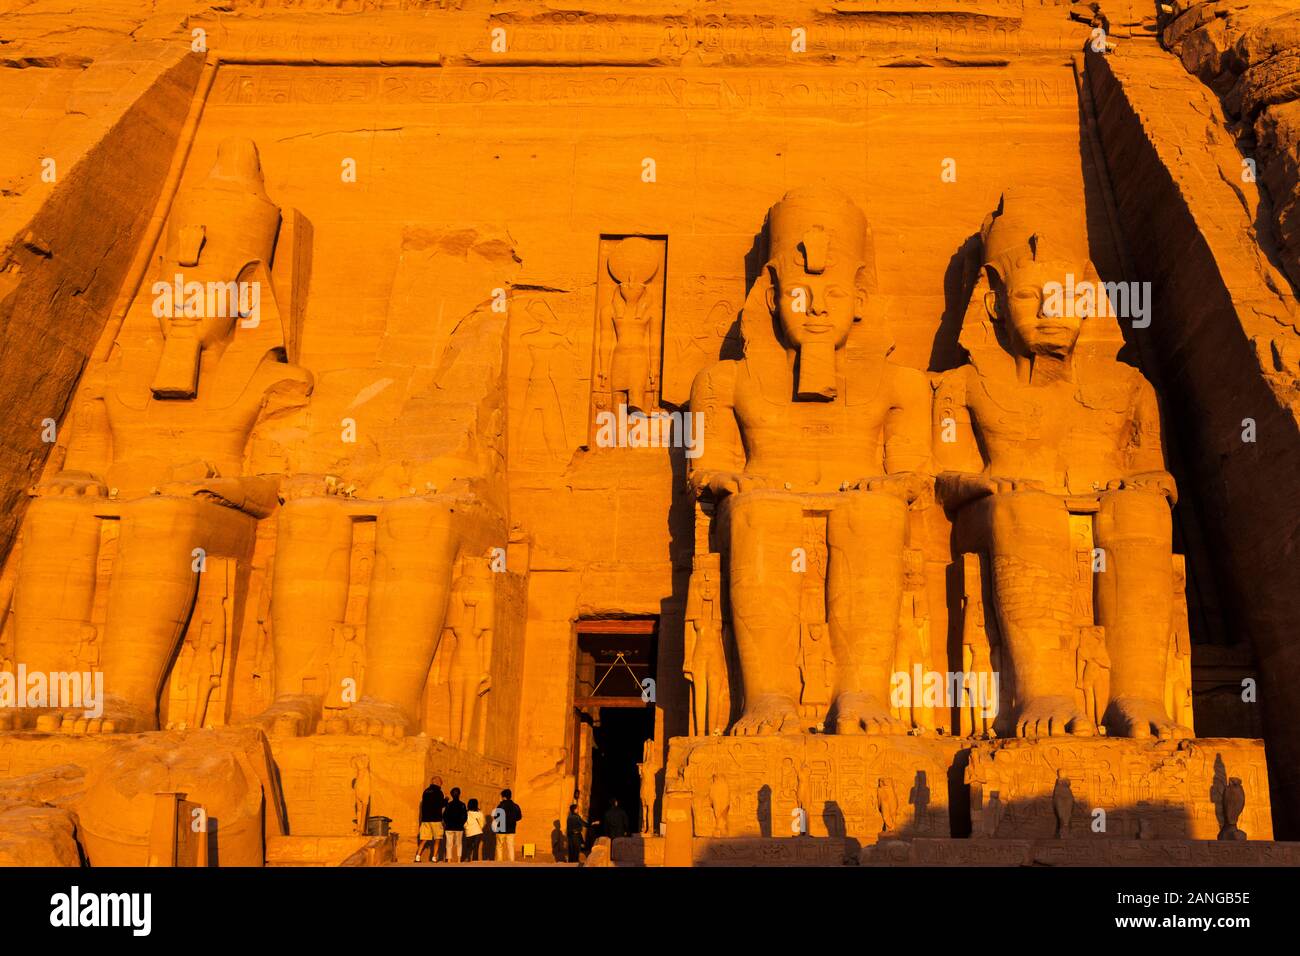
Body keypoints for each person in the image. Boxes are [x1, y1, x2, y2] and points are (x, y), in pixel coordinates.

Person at [416, 775, 446, 863]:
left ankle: (417, 856)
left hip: (425, 820)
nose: (441, 785)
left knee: (424, 839)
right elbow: (441, 805)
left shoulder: (425, 792)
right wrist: (446, 800)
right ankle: (434, 857)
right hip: (436, 819)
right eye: (441, 783)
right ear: (437, 783)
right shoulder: (439, 792)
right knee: (437, 838)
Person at [494, 789, 523, 861]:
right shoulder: (516, 806)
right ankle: (511, 862)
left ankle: (499, 862)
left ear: (503, 797)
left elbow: (496, 817)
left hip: (501, 829)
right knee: (510, 846)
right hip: (511, 829)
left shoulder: (501, 805)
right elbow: (519, 817)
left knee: (499, 846)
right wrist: (512, 820)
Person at [443, 787, 468, 862]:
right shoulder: (462, 804)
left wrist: (447, 823)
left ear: (451, 795)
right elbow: (465, 816)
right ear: (459, 794)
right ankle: (459, 860)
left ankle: (449, 859)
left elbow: (444, 815)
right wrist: (461, 823)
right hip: (459, 827)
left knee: (449, 844)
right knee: (459, 844)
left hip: (449, 827)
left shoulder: (449, 805)